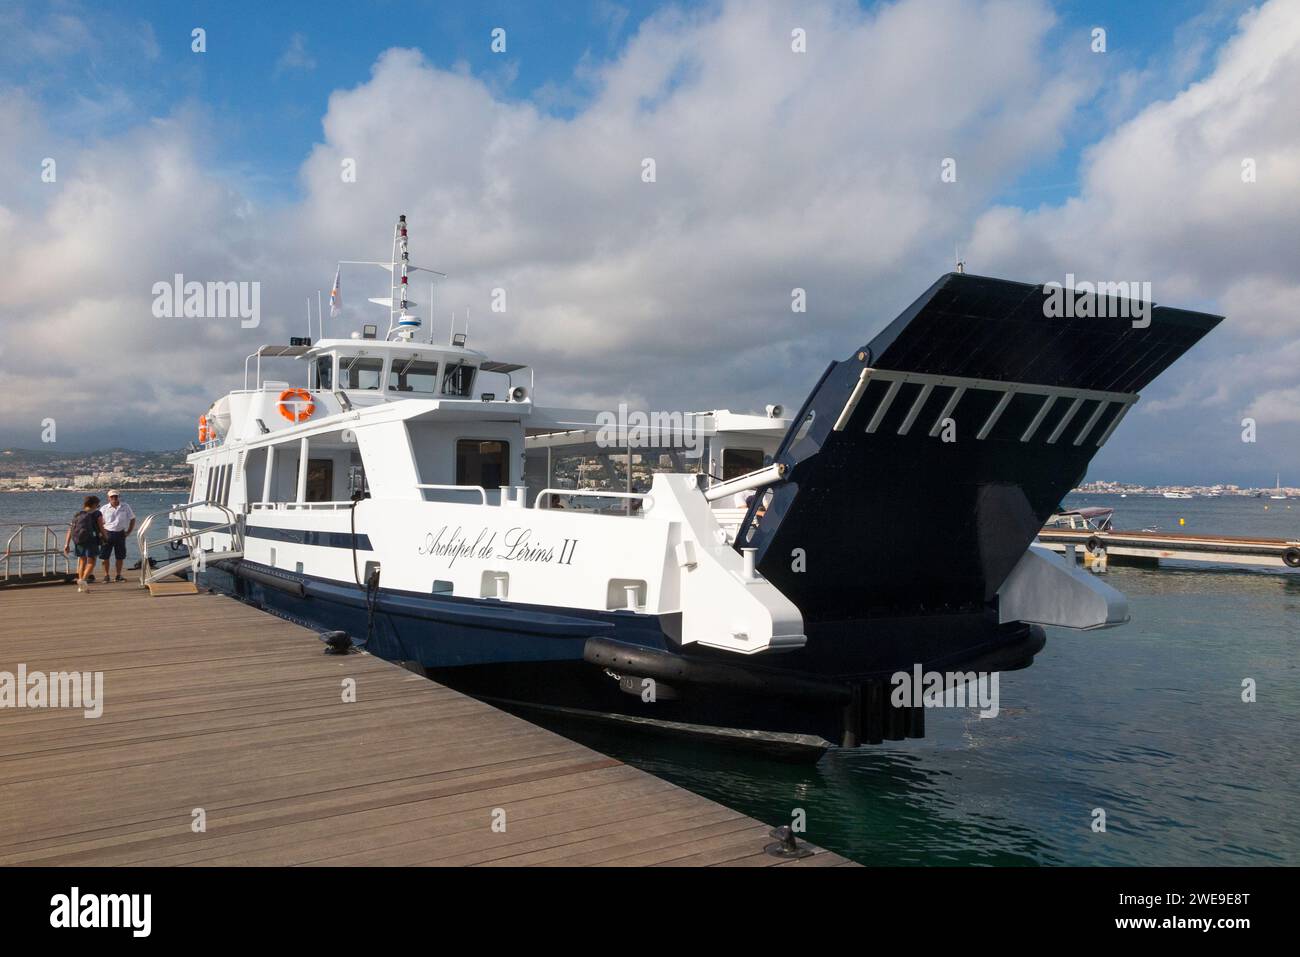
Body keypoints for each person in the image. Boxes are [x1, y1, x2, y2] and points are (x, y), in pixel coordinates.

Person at [64, 496, 106, 593]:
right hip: (92, 540)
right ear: (94, 504)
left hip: (79, 540)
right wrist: (106, 537)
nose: (98, 507)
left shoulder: (78, 514)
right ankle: (83, 580)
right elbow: (101, 527)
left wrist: (66, 544)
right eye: (98, 505)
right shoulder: (97, 513)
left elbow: (70, 529)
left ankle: (81, 585)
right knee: (92, 562)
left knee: (82, 561)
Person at [99, 489, 136, 582]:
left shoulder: (125, 506)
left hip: (120, 533)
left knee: (120, 556)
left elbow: (132, 518)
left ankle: (118, 575)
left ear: (118, 497)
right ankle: (106, 575)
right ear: (108, 498)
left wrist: (129, 531)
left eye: (116, 496)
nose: (114, 498)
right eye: (112, 497)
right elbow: (99, 522)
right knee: (104, 556)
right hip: (107, 533)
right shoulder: (104, 508)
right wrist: (101, 533)